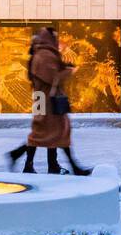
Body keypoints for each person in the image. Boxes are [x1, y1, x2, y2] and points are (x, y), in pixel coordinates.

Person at [6, 27, 91, 175]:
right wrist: (69, 71)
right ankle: (67, 166)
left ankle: (39, 163)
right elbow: (53, 77)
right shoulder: (45, 55)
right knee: (55, 133)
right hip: (48, 101)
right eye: (55, 38)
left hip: (42, 99)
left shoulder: (40, 53)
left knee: (45, 133)